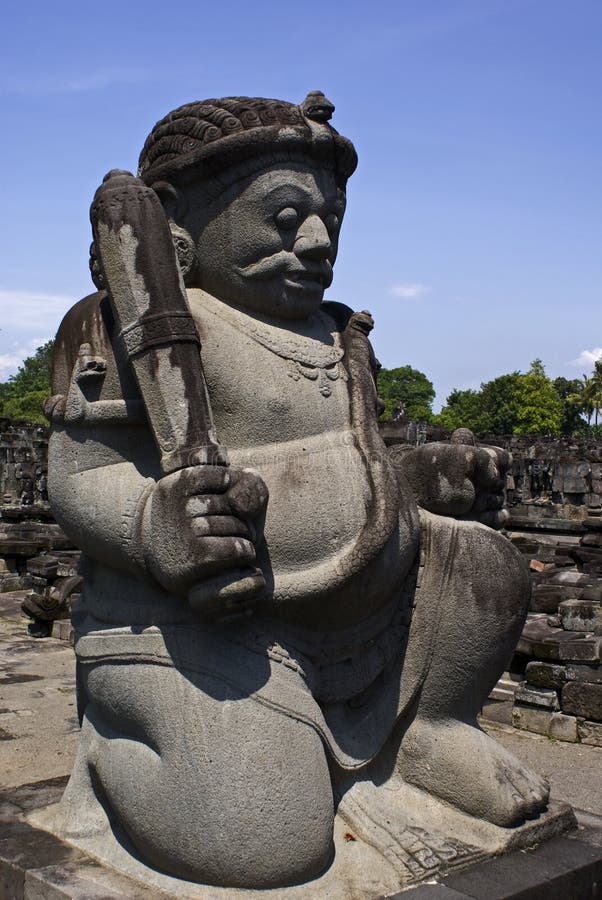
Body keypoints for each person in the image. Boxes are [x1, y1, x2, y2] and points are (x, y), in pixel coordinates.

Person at [47, 93, 549, 890]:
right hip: (209, 634)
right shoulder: (116, 328)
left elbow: (346, 460)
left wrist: (417, 479)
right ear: (175, 223)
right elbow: (79, 476)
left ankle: (431, 727)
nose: (316, 242)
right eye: (284, 217)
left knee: (483, 563)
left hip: (380, 615)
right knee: (262, 843)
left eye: (331, 221)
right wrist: (153, 524)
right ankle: (119, 745)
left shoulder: (339, 334)